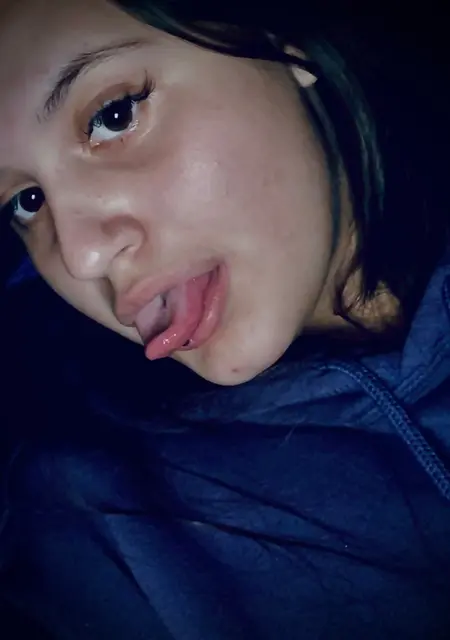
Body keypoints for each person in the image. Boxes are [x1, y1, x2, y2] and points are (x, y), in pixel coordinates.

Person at [0, 1, 450, 638]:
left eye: (114, 116)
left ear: (280, 35)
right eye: (26, 202)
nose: (83, 255)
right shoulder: (99, 528)